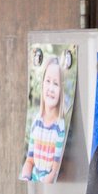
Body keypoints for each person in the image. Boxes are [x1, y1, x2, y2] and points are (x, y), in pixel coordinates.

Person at [22, 53, 70, 181]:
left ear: (61, 90)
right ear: (42, 84)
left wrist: (41, 185)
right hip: (33, 180)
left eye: (56, 84)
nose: (51, 88)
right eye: (48, 81)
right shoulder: (36, 122)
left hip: (46, 184)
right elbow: (29, 161)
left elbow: (54, 171)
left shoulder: (59, 128)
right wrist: (26, 177)